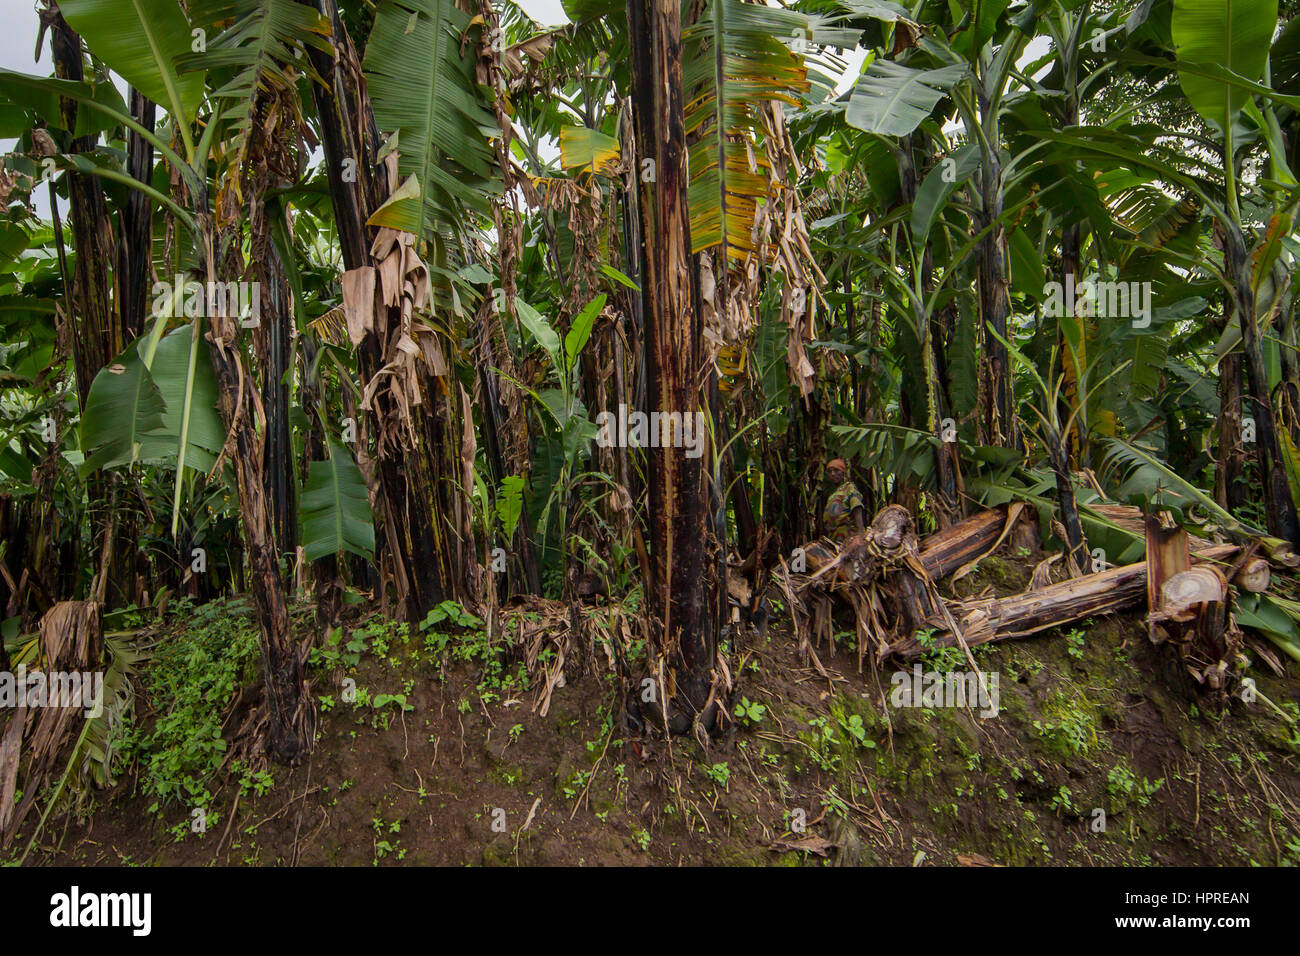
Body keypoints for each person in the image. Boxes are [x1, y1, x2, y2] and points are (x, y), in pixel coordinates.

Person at [822, 458, 865, 540]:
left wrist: (860, 533)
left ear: (843, 472)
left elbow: (857, 507)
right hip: (834, 536)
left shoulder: (849, 488)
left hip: (848, 535)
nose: (833, 474)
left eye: (836, 470)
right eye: (829, 471)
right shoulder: (833, 494)